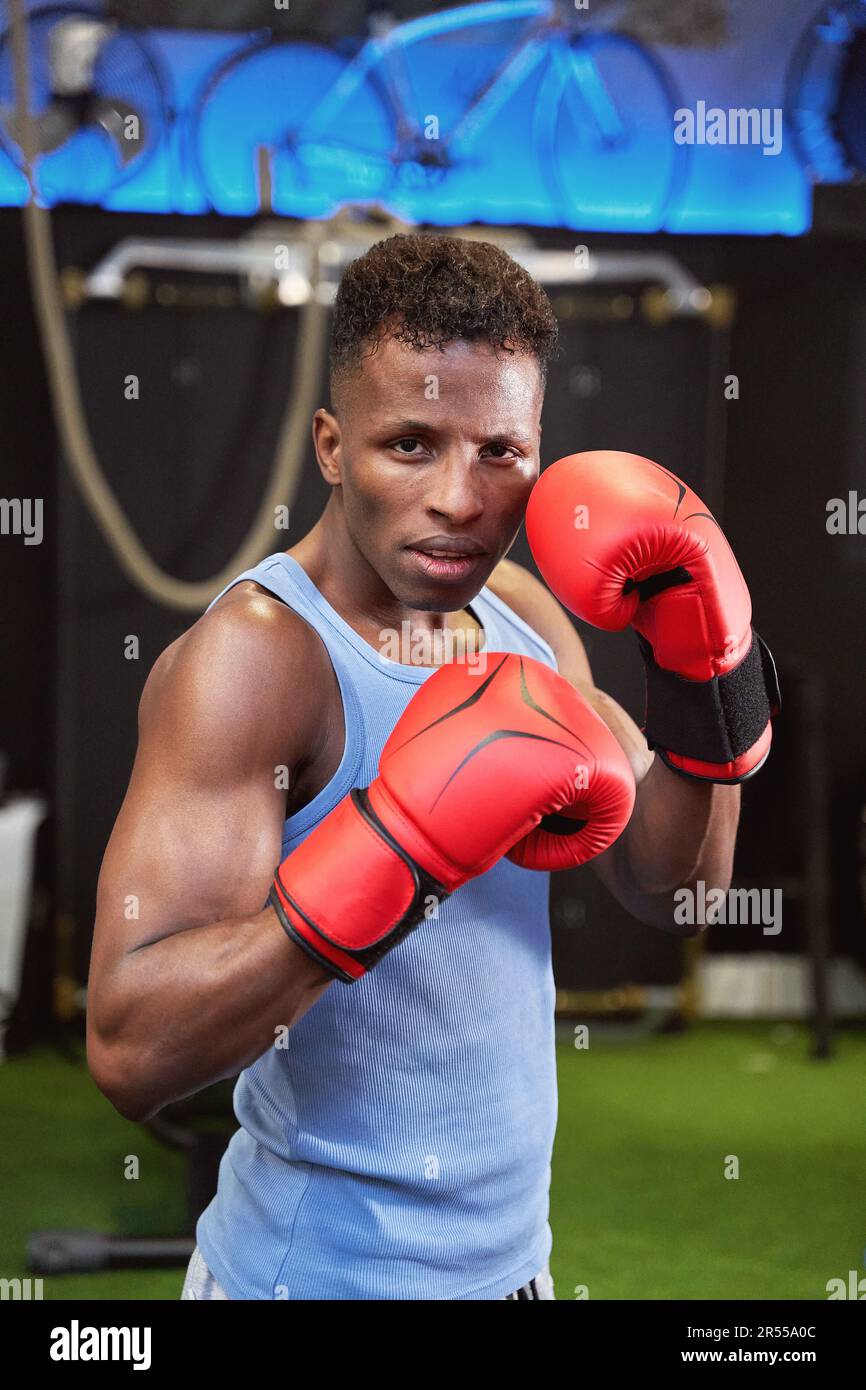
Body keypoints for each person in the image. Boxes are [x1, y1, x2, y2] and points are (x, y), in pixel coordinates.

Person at [86, 233, 775, 1300]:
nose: (460, 498)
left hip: (513, 1271)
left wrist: (701, 676)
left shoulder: (525, 617)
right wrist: (398, 854)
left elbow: (676, 886)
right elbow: (131, 1050)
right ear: (328, 444)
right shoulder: (259, 662)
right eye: (409, 444)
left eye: (498, 450)